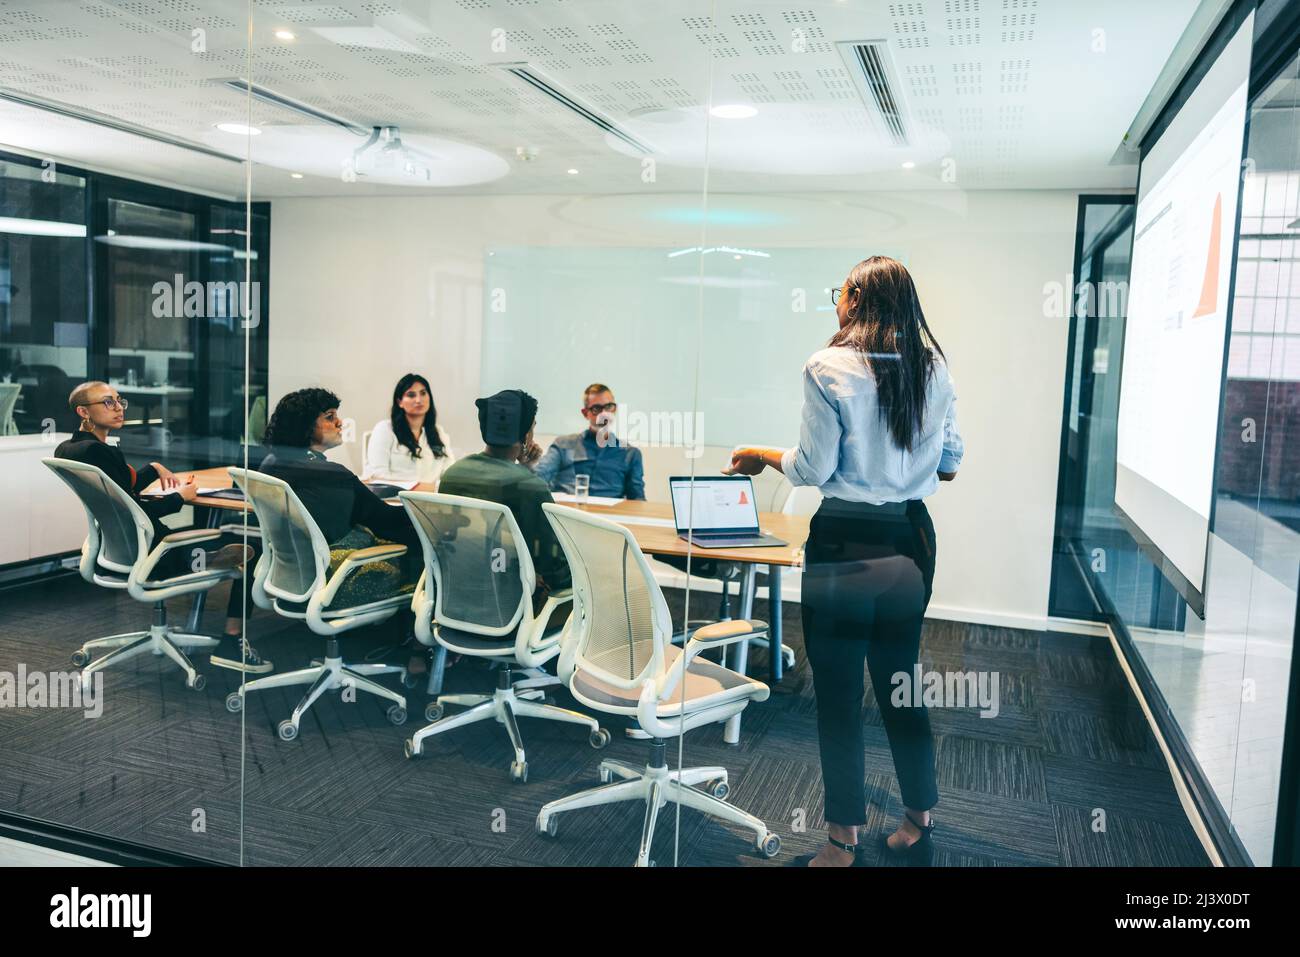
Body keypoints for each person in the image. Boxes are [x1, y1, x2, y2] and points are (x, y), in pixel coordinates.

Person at [723, 256, 963, 867]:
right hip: (911, 535)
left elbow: (813, 470)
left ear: (854, 299)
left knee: (837, 691)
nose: (837, 303)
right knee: (900, 680)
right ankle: (919, 817)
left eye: (840, 294)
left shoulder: (827, 366)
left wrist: (758, 454)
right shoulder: (934, 367)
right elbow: (950, 464)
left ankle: (840, 845)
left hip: (847, 539)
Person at [54, 381, 269, 674]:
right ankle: (232, 643)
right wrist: (183, 496)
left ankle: (207, 559)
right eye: (107, 403)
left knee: (225, 542)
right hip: (157, 553)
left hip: (120, 551)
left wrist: (153, 468)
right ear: (83, 411)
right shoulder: (99, 453)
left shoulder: (71, 449)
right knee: (249, 548)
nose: (118, 408)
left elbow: (123, 496)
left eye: (119, 401)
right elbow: (138, 510)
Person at [259, 388, 424, 609]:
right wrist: (429, 512)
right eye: (329, 417)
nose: (340, 422)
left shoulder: (271, 464)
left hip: (294, 578)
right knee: (423, 540)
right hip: (337, 581)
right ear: (305, 425)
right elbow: (387, 521)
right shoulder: (330, 475)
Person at [438, 389, 571, 607]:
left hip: (455, 603)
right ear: (526, 434)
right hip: (510, 608)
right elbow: (554, 566)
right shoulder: (530, 487)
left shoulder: (452, 474)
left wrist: (524, 468)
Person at [533, 383, 644, 500]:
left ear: (615, 409)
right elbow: (537, 479)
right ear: (585, 413)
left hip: (606, 516)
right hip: (566, 513)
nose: (604, 414)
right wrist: (528, 463)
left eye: (609, 407)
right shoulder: (563, 445)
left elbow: (637, 500)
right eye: (596, 409)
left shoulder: (630, 454)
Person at [363, 373, 455, 486]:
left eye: (423, 393)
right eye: (411, 395)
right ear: (399, 402)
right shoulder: (385, 429)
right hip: (394, 500)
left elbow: (450, 473)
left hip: (431, 500)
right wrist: (421, 488)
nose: (418, 400)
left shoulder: (438, 432)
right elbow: (378, 476)